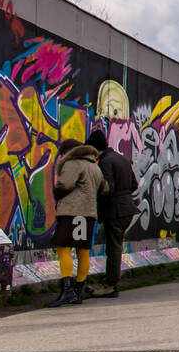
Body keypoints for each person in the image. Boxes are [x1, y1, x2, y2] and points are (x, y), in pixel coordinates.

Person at [48, 138, 108, 307]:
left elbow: (64, 185)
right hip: (87, 214)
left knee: (63, 248)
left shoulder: (72, 163)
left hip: (71, 212)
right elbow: (105, 188)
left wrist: (57, 193)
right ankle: (78, 291)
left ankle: (66, 291)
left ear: (66, 153)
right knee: (82, 251)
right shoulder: (94, 166)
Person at [86, 127, 138, 298]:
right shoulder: (122, 159)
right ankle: (111, 279)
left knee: (113, 247)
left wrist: (99, 211)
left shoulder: (105, 162)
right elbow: (134, 185)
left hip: (116, 210)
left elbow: (107, 188)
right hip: (127, 208)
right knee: (116, 245)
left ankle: (111, 283)